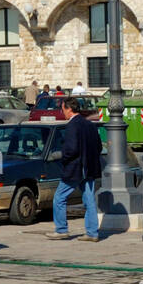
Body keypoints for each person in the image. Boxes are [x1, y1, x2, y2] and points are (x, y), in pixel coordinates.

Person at [48, 99, 102, 242]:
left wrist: (63, 158)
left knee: (59, 197)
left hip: (75, 169)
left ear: (69, 109)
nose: (62, 112)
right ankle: (92, 232)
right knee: (89, 200)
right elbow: (99, 147)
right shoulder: (90, 125)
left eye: (63, 109)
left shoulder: (72, 125)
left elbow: (71, 149)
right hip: (88, 168)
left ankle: (61, 229)